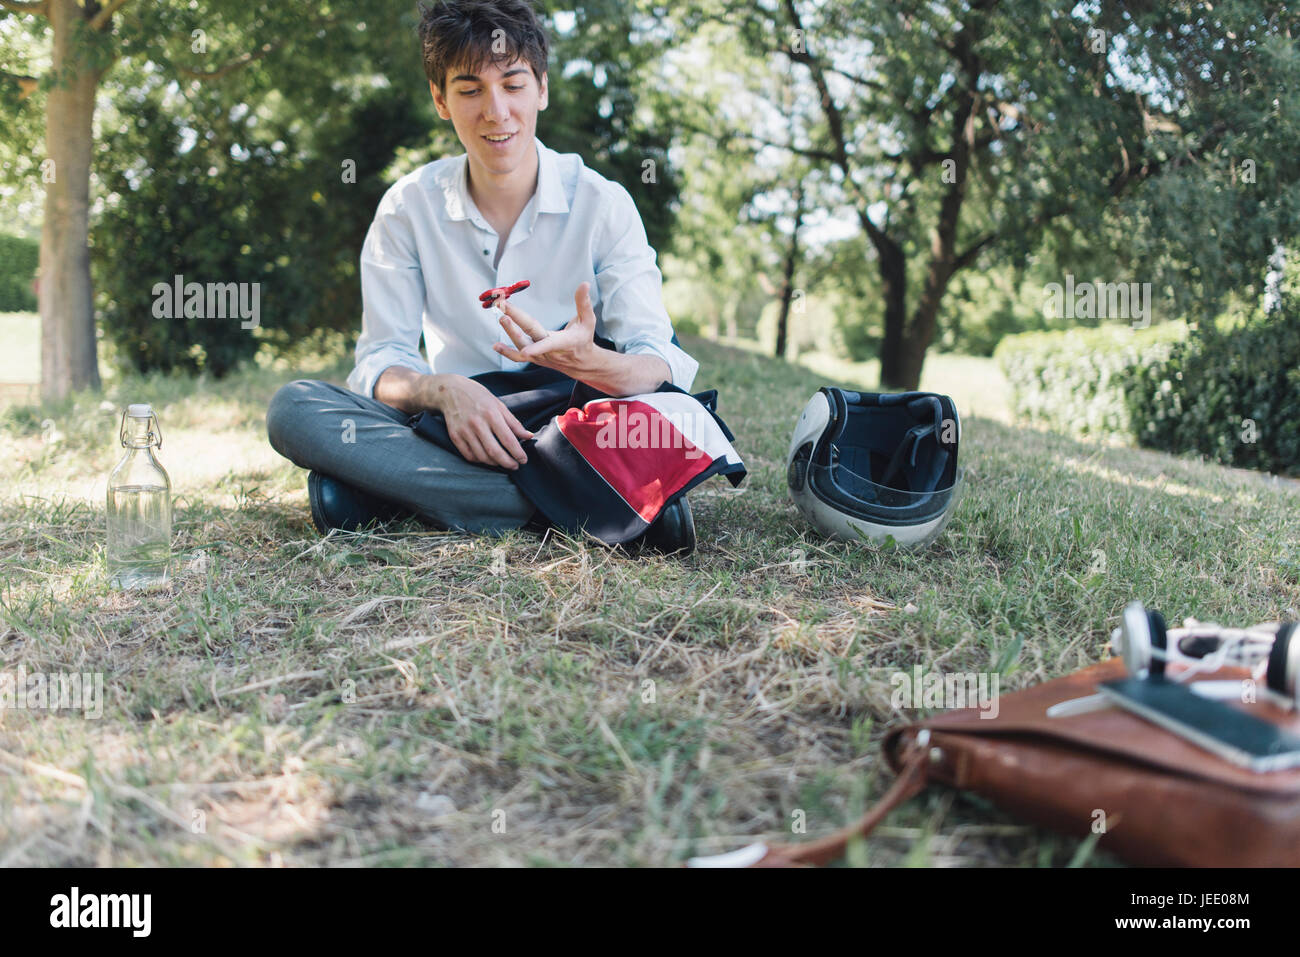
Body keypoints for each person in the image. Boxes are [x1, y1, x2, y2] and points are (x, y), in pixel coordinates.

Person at [266, 0, 700, 553]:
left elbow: (659, 361)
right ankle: (610, 507)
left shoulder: (603, 204)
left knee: (662, 417)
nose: (496, 112)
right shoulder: (406, 208)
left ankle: (391, 493)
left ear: (541, 89)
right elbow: (381, 359)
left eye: (513, 85)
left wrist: (590, 363)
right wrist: (443, 390)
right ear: (440, 100)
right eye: (470, 90)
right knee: (294, 409)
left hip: (572, 432)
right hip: (451, 430)